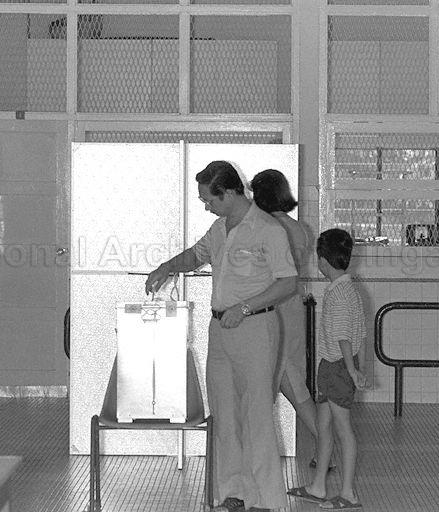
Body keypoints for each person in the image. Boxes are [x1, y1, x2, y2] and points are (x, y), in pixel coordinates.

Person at [145, 160, 297, 512]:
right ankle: (233, 493)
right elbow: (195, 256)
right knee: (224, 414)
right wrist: (166, 267)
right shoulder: (219, 228)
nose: (205, 205)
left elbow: (288, 283)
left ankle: (266, 499)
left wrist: (244, 308)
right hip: (220, 331)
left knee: (256, 413)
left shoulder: (268, 229)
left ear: (229, 192)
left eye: (209, 199)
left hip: (256, 327)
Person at [287, 228, 366, 511]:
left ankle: (348, 493)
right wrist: (355, 366)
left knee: (343, 429)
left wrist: (351, 370)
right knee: (323, 425)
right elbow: (358, 335)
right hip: (332, 366)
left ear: (322, 260)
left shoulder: (340, 294)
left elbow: (344, 336)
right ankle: (318, 486)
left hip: (337, 368)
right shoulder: (346, 288)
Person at [249, 169, 319, 449]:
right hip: (293, 308)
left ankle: (330, 450)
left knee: (273, 384)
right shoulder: (300, 228)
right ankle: (328, 449)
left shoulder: (268, 229)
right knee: (295, 386)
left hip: (272, 308)